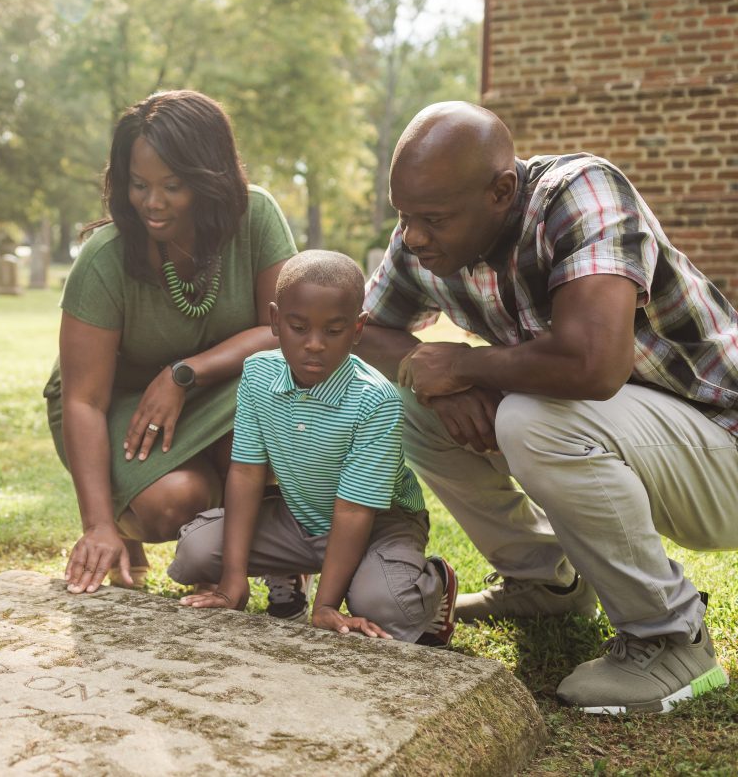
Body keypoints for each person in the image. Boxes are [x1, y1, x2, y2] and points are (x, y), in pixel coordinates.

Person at [360, 100, 734, 713]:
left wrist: (459, 365)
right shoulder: (424, 239)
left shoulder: (581, 193)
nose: (412, 236)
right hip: (634, 437)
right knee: (411, 402)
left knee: (529, 418)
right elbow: (366, 329)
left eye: (432, 218)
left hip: (723, 445)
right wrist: (440, 383)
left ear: (501, 191)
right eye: (405, 215)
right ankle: (546, 582)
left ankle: (672, 637)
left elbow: (592, 363)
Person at [44, 90, 297, 597]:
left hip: (221, 388)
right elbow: (84, 400)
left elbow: (284, 330)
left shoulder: (256, 216)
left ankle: (271, 564)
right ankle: (136, 517)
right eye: (138, 185)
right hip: (114, 401)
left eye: (173, 186)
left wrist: (186, 373)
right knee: (177, 500)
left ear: (211, 180)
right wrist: (98, 525)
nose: (152, 204)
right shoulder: (105, 257)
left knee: (259, 433)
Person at [172, 251, 458, 647]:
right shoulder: (257, 374)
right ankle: (293, 569)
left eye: (334, 330)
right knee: (196, 551)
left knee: (383, 604)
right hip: (300, 517)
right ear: (275, 321)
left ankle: (436, 581)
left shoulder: (376, 399)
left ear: (358, 328)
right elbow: (246, 472)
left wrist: (326, 604)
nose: (314, 345)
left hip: (379, 522)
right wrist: (232, 578)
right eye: (298, 327)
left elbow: (356, 509)